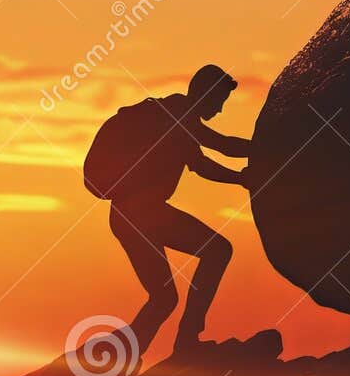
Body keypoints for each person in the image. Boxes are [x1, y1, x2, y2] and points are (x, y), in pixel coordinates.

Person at [83, 64, 249, 358]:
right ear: (206, 94)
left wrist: (244, 172)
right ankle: (186, 342)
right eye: (219, 101)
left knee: (163, 299)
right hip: (142, 213)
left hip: (125, 217)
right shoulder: (176, 116)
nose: (220, 110)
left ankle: (121, 357)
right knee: (217, 250)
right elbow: (215, 152)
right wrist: (260, 159)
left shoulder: (172, 115)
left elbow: (209, 156)